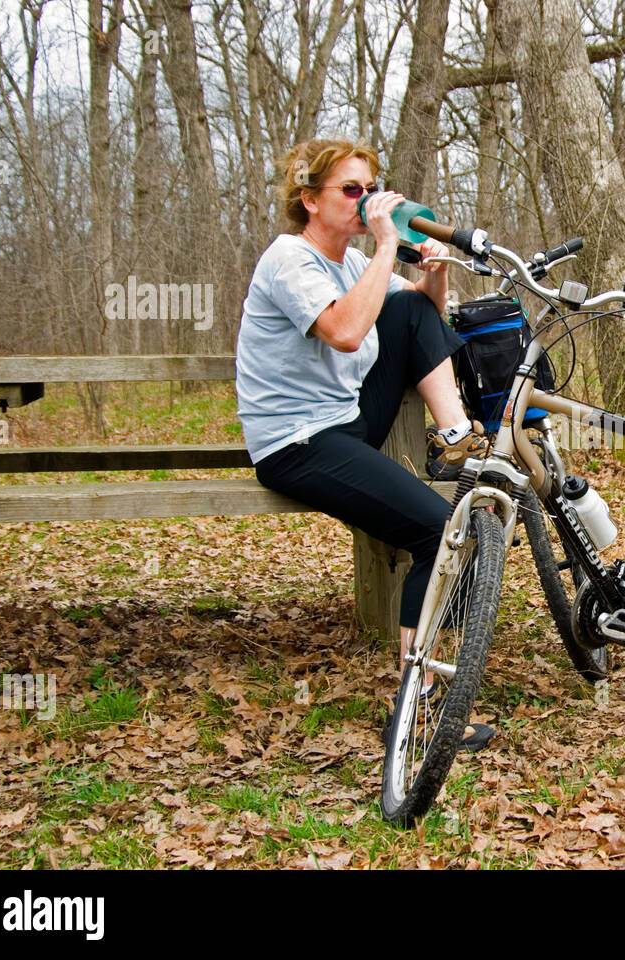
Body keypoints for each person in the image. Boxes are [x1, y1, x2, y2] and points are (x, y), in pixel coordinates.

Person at [235, 138, 494, 749]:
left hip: (344, 419)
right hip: (296, 443)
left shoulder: (352, 264)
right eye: (352, 191)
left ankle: (457, 438)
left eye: (370, 189)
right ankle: (415, 705)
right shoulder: (289, 261)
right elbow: (347, 333)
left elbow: (422, 320)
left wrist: (432, 274)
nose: (366, 200)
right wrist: (385, 245)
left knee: (408, 311)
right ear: (309, 200)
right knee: (440, 529)